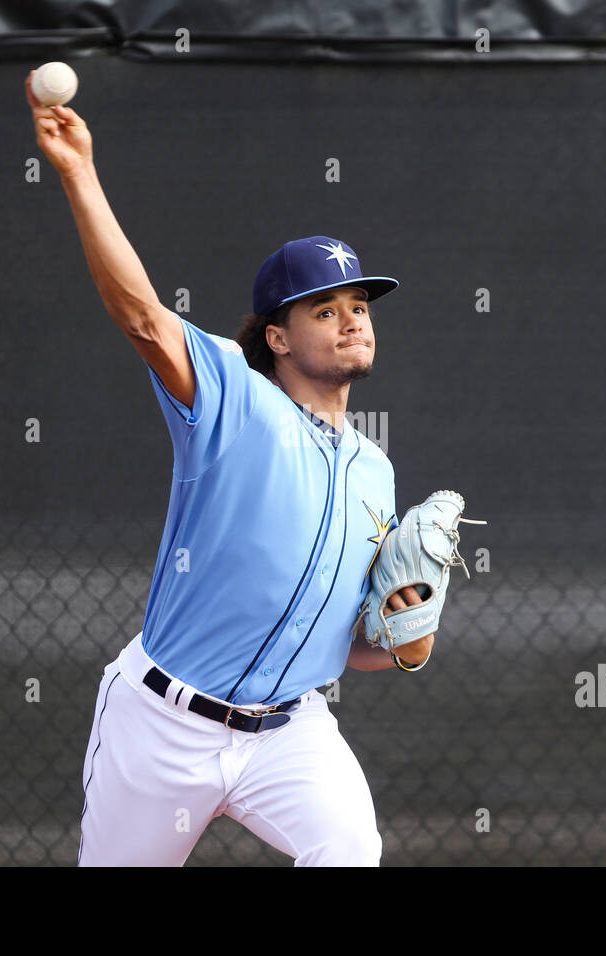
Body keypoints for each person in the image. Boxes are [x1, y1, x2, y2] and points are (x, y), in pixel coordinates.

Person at [26, 72, 435, 866]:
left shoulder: (375, 472)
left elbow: (355, 645)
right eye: (325, 308)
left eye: (360, 305)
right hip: (163, 725)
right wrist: (79, 175)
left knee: (351, 852)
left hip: (291, 730)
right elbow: (143, 315)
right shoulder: (232, 400)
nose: (353, 317)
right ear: (277, 339)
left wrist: (406, 635)